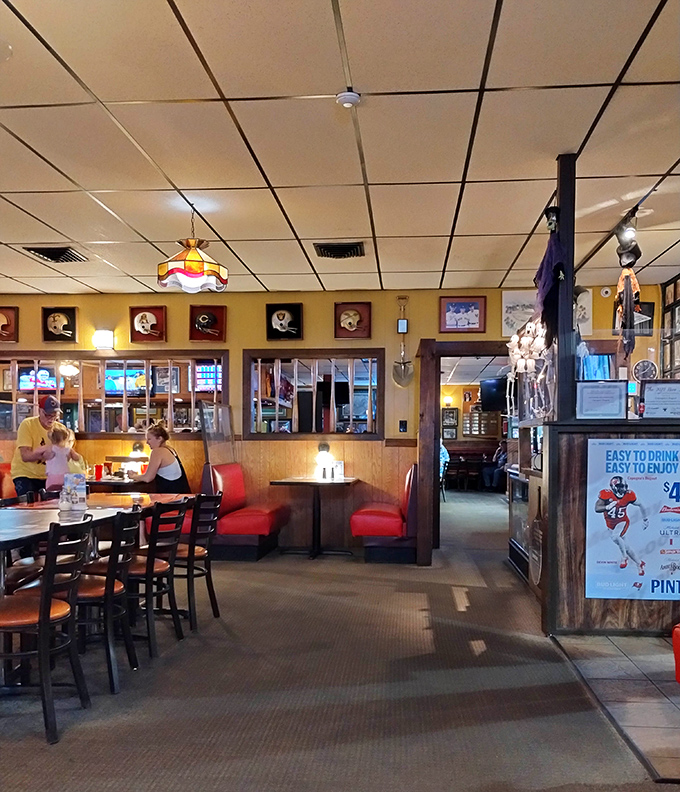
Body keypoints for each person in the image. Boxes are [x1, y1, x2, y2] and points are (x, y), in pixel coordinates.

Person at [11, 394, 63, 496]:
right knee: (28, 507)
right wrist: (47, 453)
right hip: (25, 474)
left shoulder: (60, 429)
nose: (51, 418)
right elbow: (25, 456)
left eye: (55, 415)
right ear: (40, 411)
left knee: (54, 506)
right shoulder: (28, 425)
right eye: (48, 415)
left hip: (49, 476)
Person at [595, 476, 648, 575]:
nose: (623, 489)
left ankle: (624, 558)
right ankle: (639, 563)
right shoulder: (606, 494)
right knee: (625, 546)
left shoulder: (629, 495)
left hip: (622, 521)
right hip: (611, 525)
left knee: (615, 537)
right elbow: (597, 508)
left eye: (624, 486)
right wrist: (607, 507)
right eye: (620, 486)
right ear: (613, 486)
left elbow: (641, 505)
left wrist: (645, 519)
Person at [128, 423, 190, 493]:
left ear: (160, 439)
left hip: (171, 498)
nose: (147, 442)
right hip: (182, 495)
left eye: (149, 439)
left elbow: (148, 478)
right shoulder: (170, 449)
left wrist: (133, 476)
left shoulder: (157, 452)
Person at [45, 425, 83, 490]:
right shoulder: (67, 450)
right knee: (66, 496)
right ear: (65, 439)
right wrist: (71, 457)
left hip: (52, 479)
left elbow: (44, 457)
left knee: (51, 497)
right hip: (65, 478)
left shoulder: (50, 449)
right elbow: (77, 458)